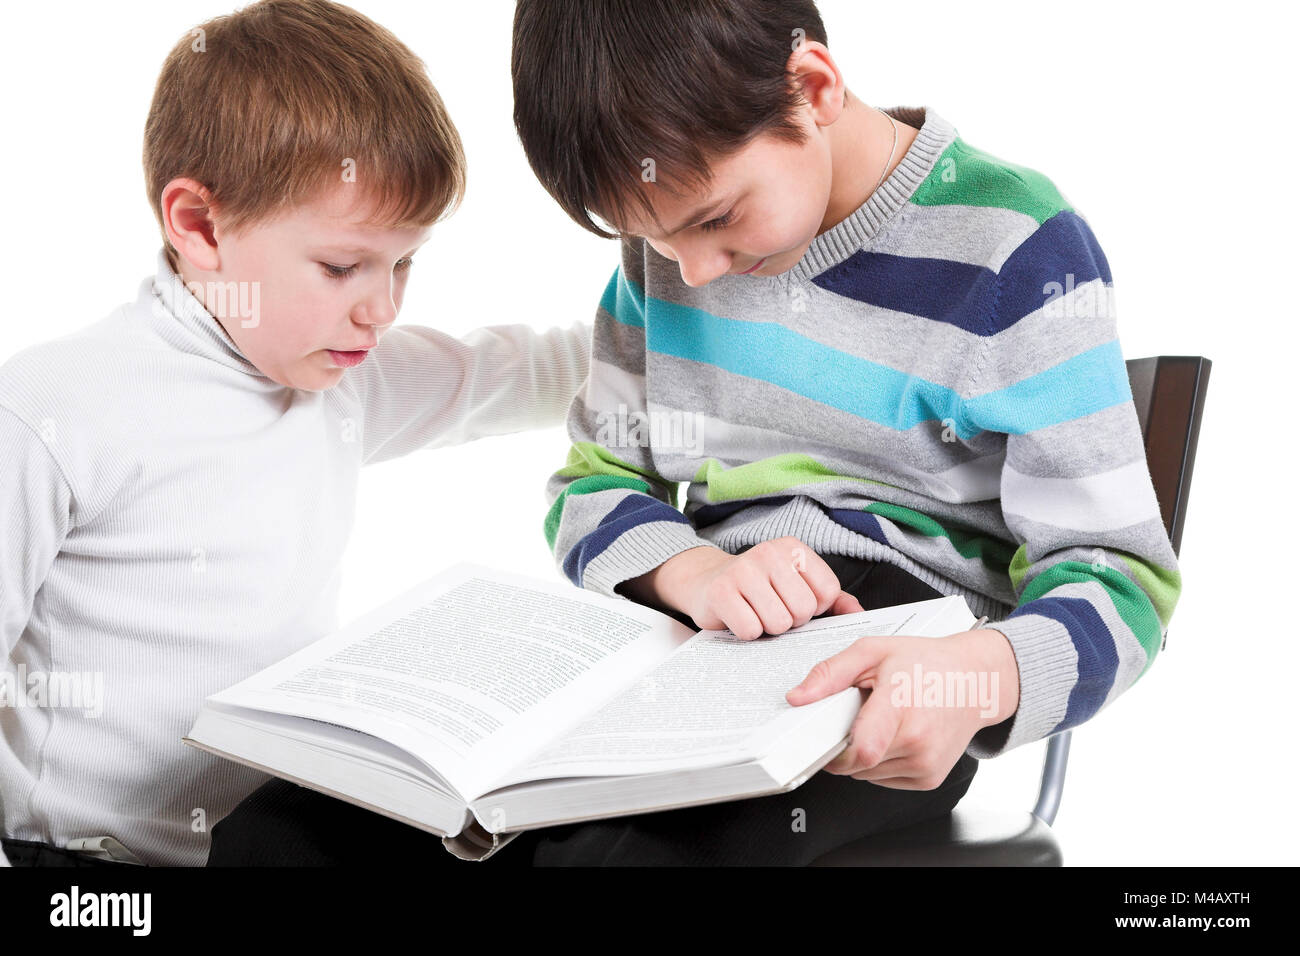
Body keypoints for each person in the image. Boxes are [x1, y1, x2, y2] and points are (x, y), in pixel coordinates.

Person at [506, 0, 1182, 864]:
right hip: (693, 644)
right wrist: (694, 571)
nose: (692, 272)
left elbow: (1120, 579)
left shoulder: (1017, 249)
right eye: (652, 237)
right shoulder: (669, 254)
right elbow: (593, 484)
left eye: (713, 219)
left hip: (891, 653)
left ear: (813, 88)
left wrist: (979, 678)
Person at [0, 0, 590, 868]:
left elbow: (517, 372)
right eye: (343, 265)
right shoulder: (55, 410)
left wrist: (687, 321)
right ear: (199, 227)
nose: (381, 308)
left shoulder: (334, 377)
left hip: (277, 840)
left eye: (404, 264)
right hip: (92, 871)